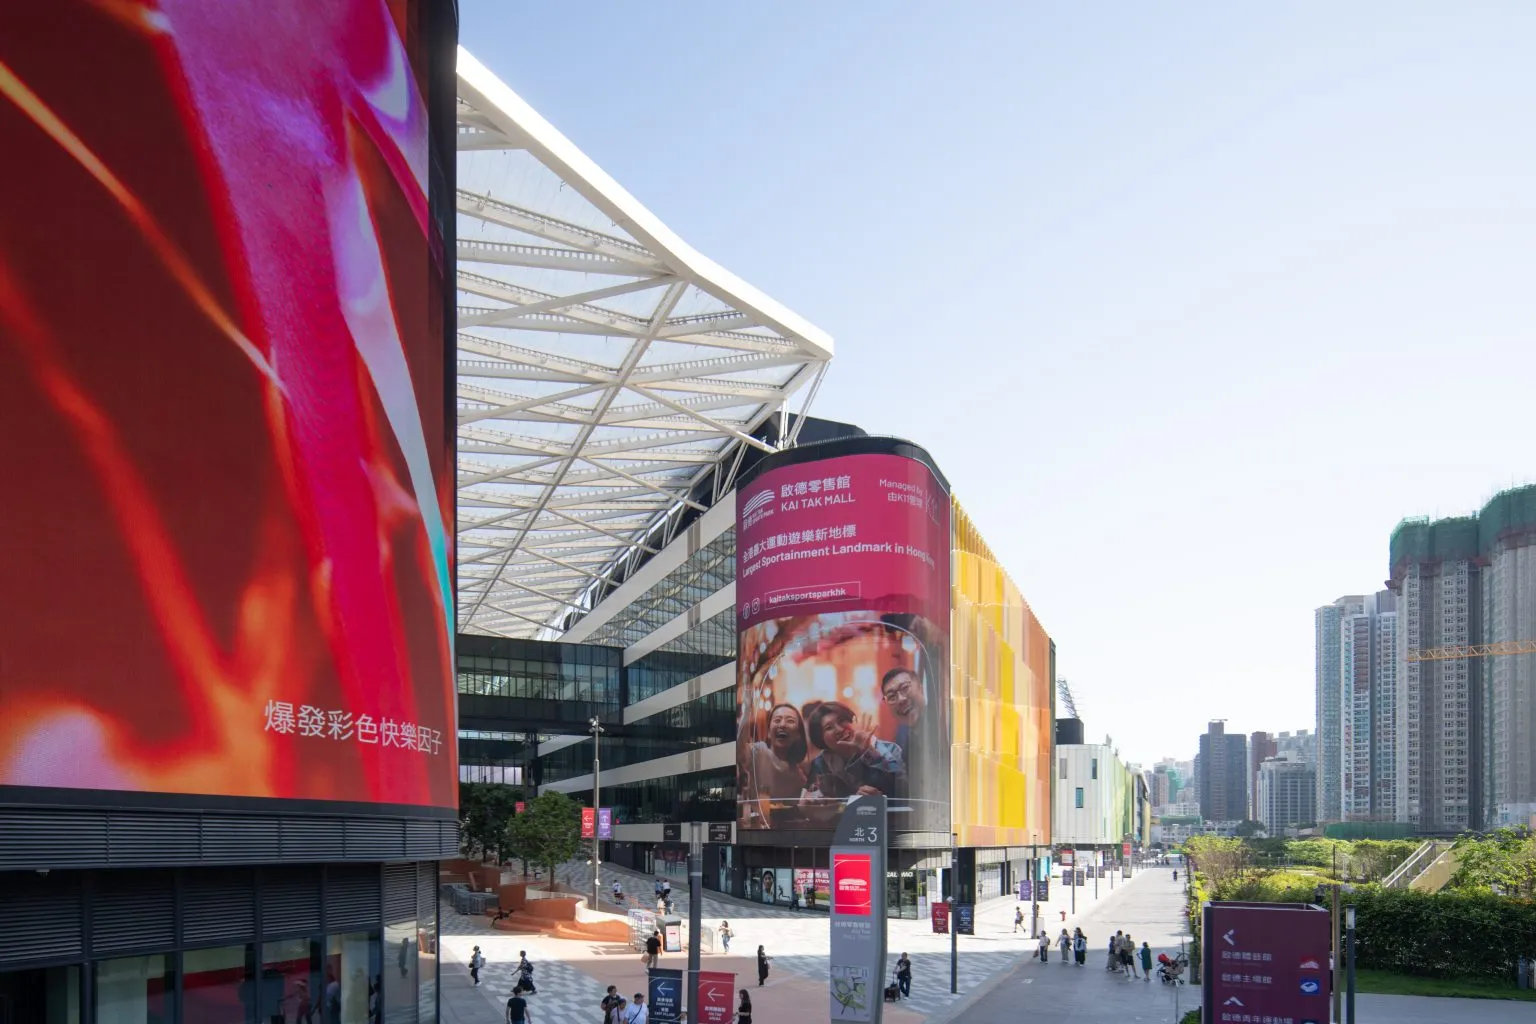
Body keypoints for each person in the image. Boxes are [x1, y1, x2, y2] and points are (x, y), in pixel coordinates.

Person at [802, 700, 905, 799]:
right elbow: (813, 799)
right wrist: (853, 800)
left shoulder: (890, 750)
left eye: (841, 720)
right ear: (820, 739)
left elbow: (904, 791)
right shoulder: (821, 764)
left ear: (852, 720)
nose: (839, 730)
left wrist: (868, 752)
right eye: (829, 728)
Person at [745, 704, 810, 825]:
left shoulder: (798, 775)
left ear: (798, 735)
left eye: (790, 721)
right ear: (769, 732)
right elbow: (737, 751)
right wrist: (746, 714)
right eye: (777, 720)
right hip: (757, 829)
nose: (783, 724)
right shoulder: (758, 752)